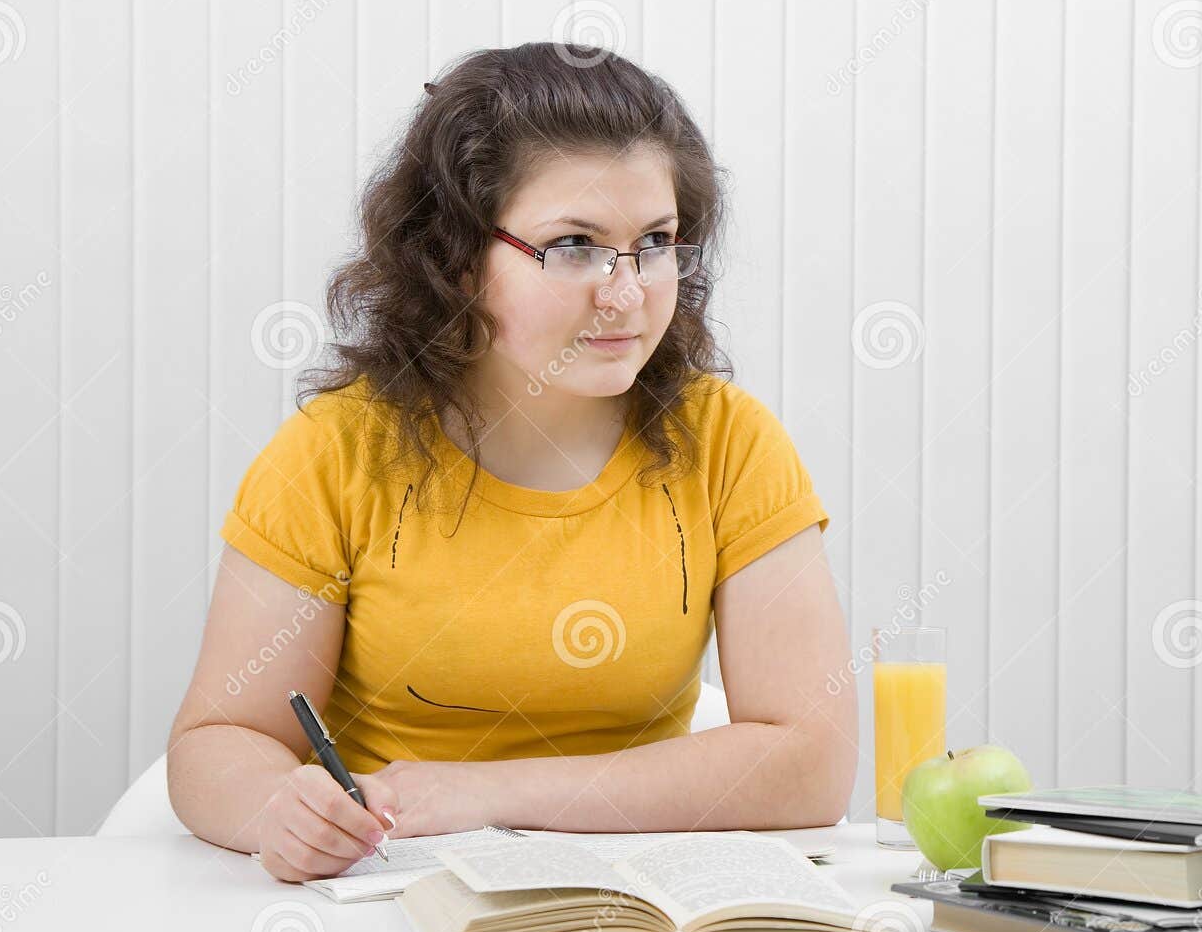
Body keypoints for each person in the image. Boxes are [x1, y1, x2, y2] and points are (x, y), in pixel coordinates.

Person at [167, 43, 857, 882]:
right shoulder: (334, 453)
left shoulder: (730, 443)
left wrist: (485, 792)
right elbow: (215, 743)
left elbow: (811, 762)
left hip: (639, 906)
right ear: (457, 256)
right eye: (574, 244)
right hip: (395, 902)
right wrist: (279, 808)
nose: (627, 292)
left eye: (655, 241)